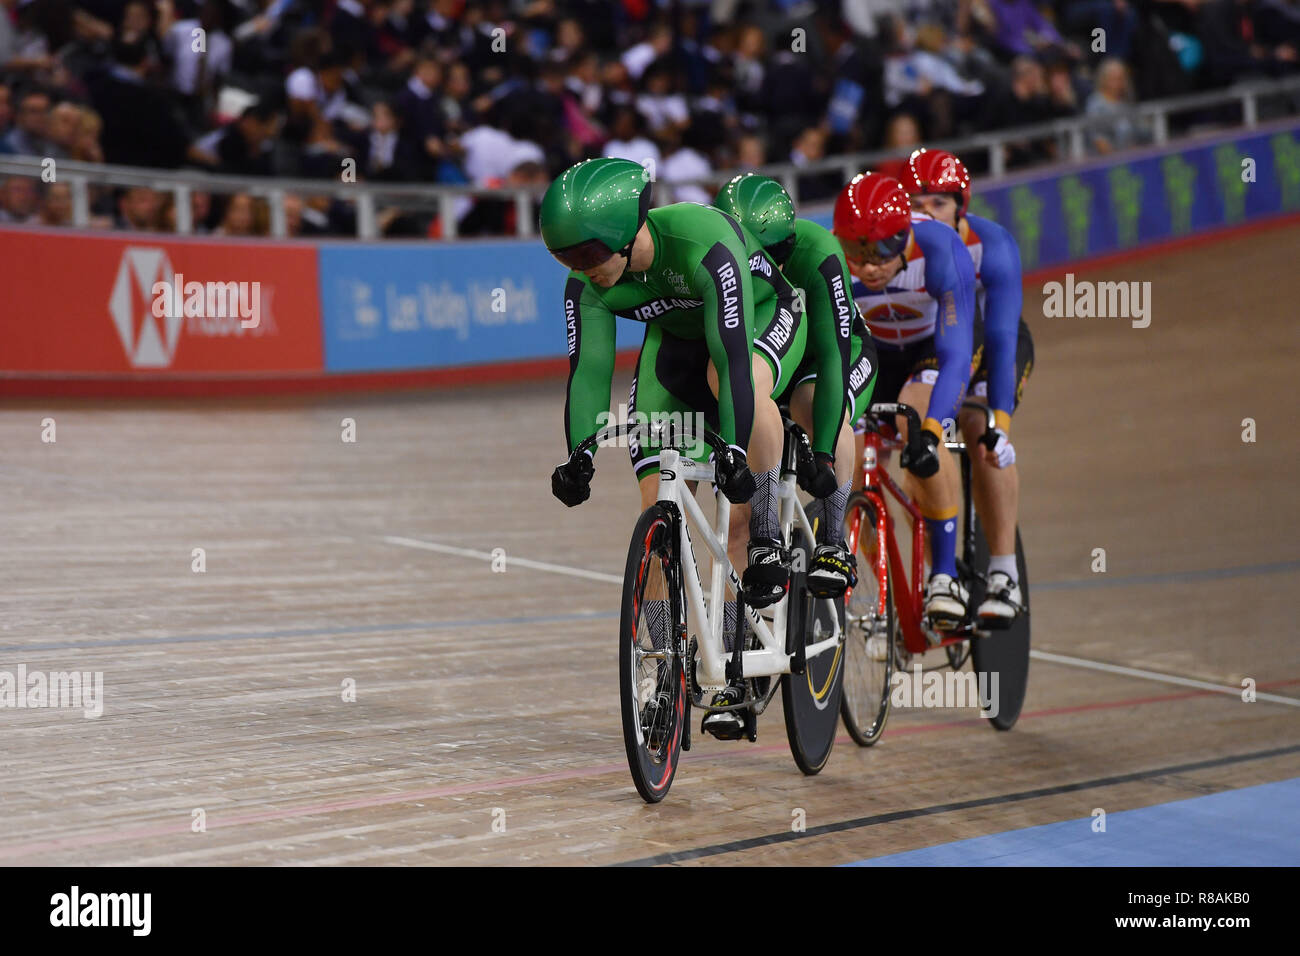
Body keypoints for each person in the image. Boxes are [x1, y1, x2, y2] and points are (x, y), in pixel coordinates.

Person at [541, 157, 791, 740]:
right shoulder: (589, 281)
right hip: (675, 350)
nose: (581, 268)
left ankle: (766, 534)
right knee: (658, 516)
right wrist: (579, 454)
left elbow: (731, 359)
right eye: (565, 258)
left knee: (736, 471)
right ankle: (662, 672)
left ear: (627, 233)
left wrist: (733, 449)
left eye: (588, 253)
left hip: (757, 321)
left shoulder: (702, 243)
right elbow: (589, 371)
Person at [713, 173, 879, 599]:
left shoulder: (820, 252)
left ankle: (833, 543)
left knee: (811, 402)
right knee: (738, 519)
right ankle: (735, 631)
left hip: (831, 357)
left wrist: (822, 454)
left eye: (781, 253)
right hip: (766, 356)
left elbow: (834, 356)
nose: (772, 267)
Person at [832, 171, 977, 629]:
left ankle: (945, 576)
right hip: (872, 353)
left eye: (880, 253)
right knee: (845, 465)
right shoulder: (830, 257)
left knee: (913, 423)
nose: (868, 267)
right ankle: (887, 592)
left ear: (904, 236)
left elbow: (957, 356)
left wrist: (931, 433)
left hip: (929, 349)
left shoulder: (938, 247)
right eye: (857, 254)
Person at [902, 148, 1033, 624]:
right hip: (936, 348)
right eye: (916, 204)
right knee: (911, 439)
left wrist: (1001, 424)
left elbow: (1000, 337)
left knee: (979, 431)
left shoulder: (991, 244)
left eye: (938, 203)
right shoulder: (900, 246)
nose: (926, 213)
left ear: (961, 206)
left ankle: (1004, 573)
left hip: (991, 346)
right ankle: (930, 569)